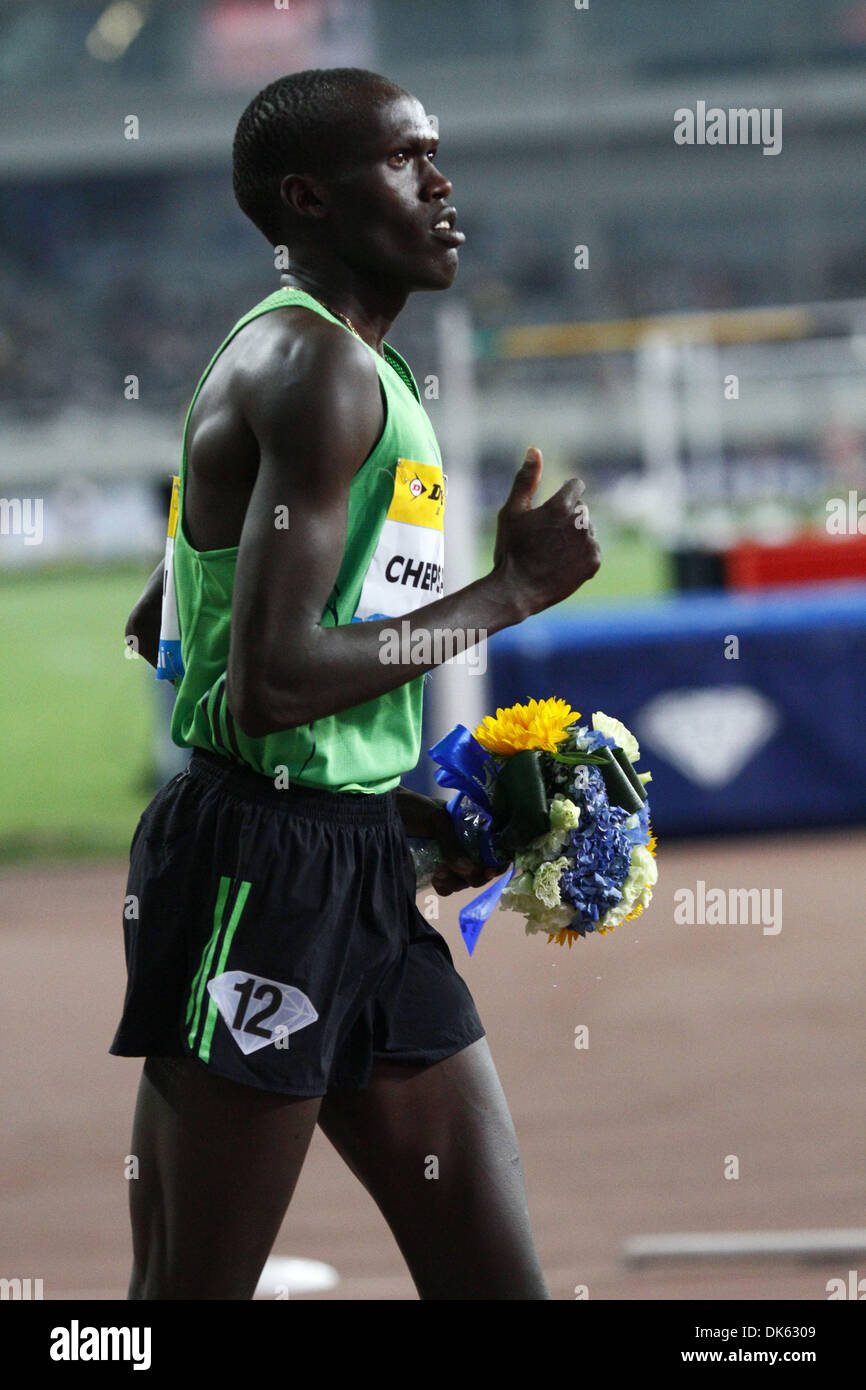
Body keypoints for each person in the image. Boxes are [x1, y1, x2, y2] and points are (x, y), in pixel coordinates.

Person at [112, 67, 601, 1301]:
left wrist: (396, 803)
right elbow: (269, 683)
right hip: (257, 876)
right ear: (309, 198)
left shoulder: (343, 373)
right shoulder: (316, 370)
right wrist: (510, 593)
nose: (442, 185)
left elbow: (169, 612)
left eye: (437, 154)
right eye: (404, 160)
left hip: (351, 864)